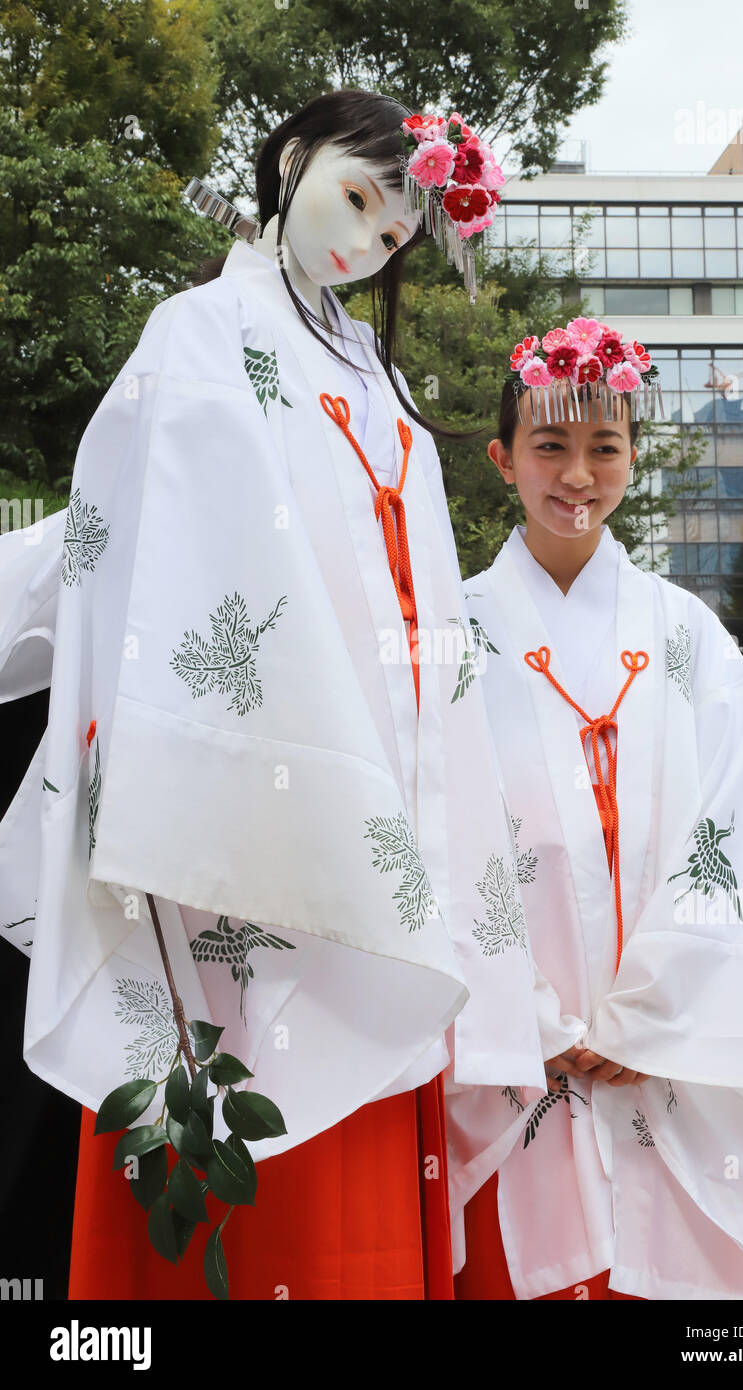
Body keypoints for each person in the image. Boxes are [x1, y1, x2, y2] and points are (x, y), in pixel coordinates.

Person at [0, 90, 571, 1300]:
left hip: (385, 802)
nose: (365, 242)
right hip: (256, 814)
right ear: (293, 154)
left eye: (394, 233)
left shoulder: (373, 373)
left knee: (364, 1117)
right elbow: (129, 537)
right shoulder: (197, 331)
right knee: (237, 1143)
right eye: (357, 197)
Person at [449, 316, 743, 1301]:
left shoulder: (689, 639)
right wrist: (532, 1018)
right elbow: (436, 843)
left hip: (671, 1053)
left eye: (604, 447)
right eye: (549, 445)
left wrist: (644, 1019)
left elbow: (733, 841)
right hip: (516, 1046)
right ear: (502, 456)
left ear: (633, 455)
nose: (577, 474)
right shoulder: (451, 635)